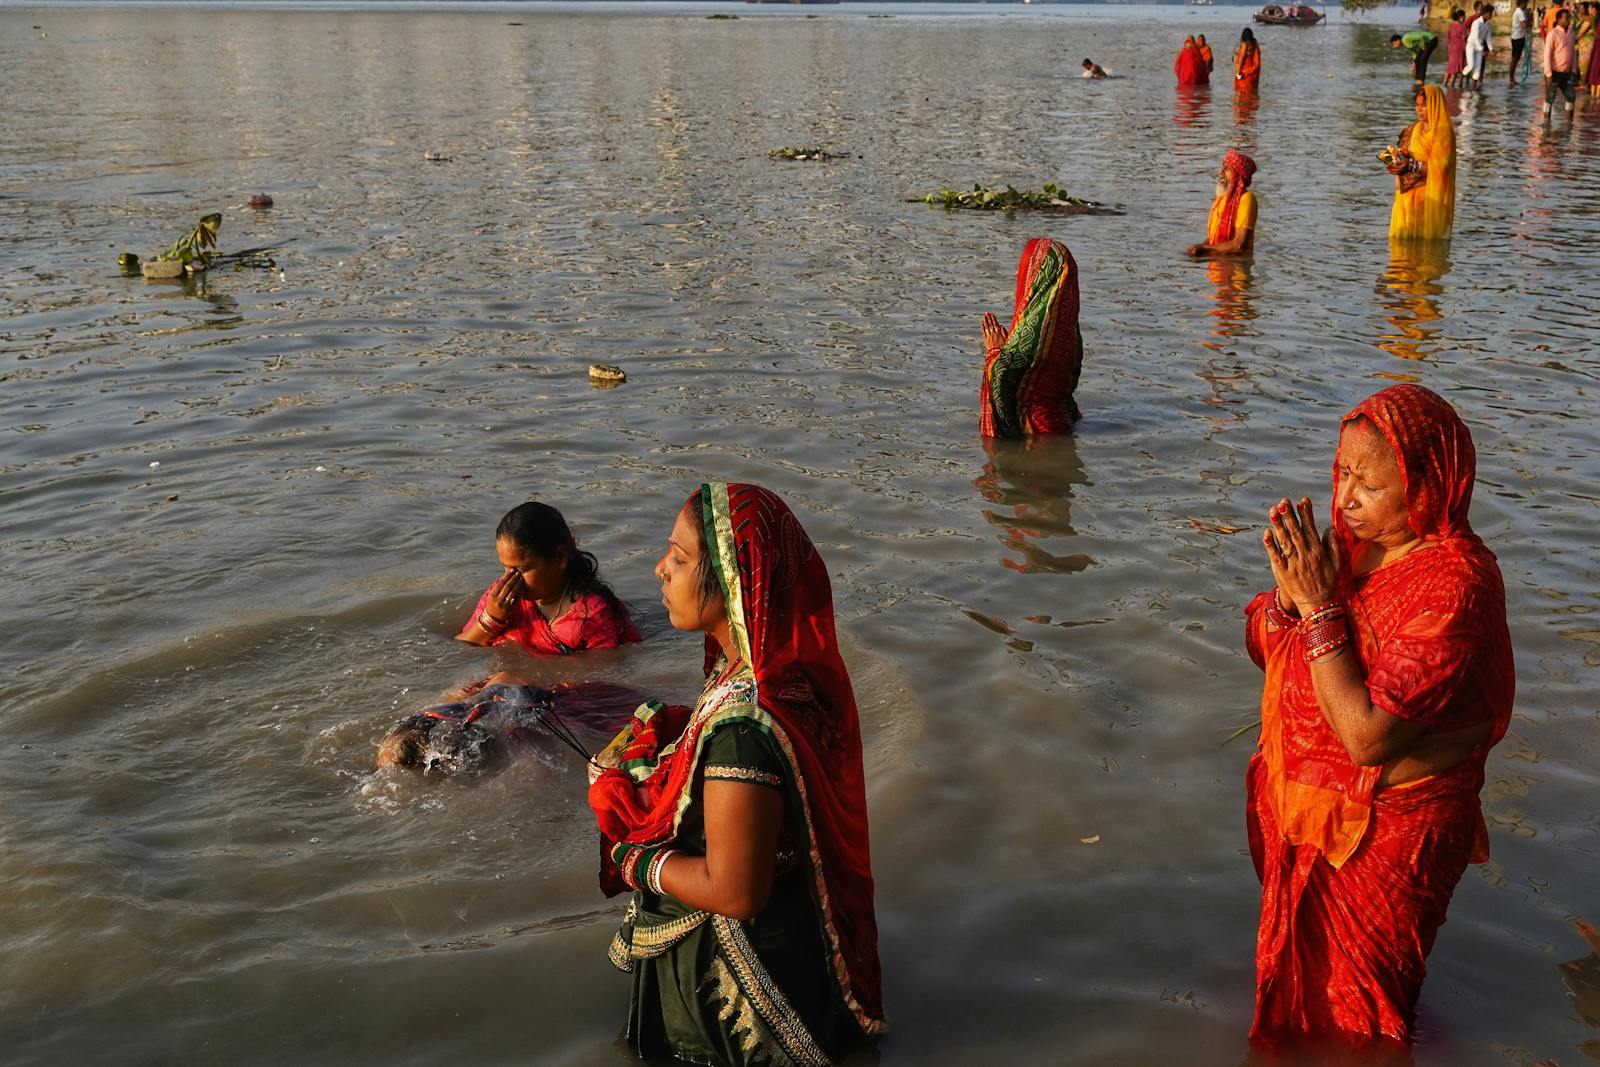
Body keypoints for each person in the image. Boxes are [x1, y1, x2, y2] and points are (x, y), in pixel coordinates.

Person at [1244, 384, 1514, 1047]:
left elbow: (1368, 736)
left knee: (1366, 1021)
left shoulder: (1457, 584)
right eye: (1342, 473)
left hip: (1391, 835)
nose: (1344, 498)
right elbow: (1263, 644)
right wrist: (1287, 595)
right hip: (1314, 819)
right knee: (1302, 1010)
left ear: (1426, 486)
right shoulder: (1352, 547)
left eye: (1368, 484)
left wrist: (1318, 608)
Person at [589, 483, 885, 1065]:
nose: (659, 570)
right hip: (802, 943)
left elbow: (736, 891)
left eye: (678, 557)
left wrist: (631, 857)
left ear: (734, 579)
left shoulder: (742, 732)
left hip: (739, 983)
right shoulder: (784, 672)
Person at [456, 501, 641, 654]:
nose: (510, 578)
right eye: (505, 567)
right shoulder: (499, 598)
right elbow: (461, 649)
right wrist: (492, 620)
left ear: (561, 556)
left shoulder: (591, 614)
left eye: (522, 569)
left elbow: (602, 677)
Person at [979, 238, 1085, 437]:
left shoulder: (1030, 337)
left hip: (1032, 438)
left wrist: (996, 353)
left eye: (1025, 268)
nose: (1019, 274)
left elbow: (1001, 382)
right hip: (1062, 426)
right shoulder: (1069, 332)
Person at [1387, 85, 1456, 242]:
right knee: (1401, 257)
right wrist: (1395, 164)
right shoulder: (1413, 130)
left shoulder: (1442, 132)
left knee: (1427, 258)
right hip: (1405, 196)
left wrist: (1411, 166)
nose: (1419, 110)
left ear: (1434, 105)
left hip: (1428, 198)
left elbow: (1441, 168)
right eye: (1417, 105)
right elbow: (1404, 155)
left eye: (1423, 105)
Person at [1187, 148, 1259, 258]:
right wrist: (1199, 248)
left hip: (1236, 271)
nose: (1221, 171)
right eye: (1222, 167)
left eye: (1227, 169)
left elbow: (1239, 246)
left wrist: (1205, 248)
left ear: (1238, 175)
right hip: (1216, 267)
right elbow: (1214, 238)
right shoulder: (1222, 199)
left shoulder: (1247, 199)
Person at [1544, 6, 1579, 117]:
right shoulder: (1553, 34)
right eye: (1566, 18)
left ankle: (1568, 125)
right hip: (1554, 72)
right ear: (1559, 20)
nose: (1569, 20)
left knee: (1571, 96)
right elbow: (1547, 55)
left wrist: (1574, 69)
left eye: (1569, 17)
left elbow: (1573, 52)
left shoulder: (1570, 33)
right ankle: (1546, 124)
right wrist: (1548, 74)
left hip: (1567, 72)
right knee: (1550, 98)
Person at [1465, 3, 1494, 87]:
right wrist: (1482, 49)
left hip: (1480, 47)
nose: (1491, 15)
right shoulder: (1476, 23)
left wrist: (1491, 49)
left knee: (1478, 68)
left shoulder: (1488, 24)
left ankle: (1473, 87)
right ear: (1486, 13)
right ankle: (1462, 77)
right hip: (1471, 45)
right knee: (1470, 66)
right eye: (1490, 13)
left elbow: (1488, 38)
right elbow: (1475, 37)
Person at [1510, 0, 1532, 85]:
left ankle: (1512, 78)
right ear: (1522, 3)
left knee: (1516, 58)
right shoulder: (1520, 12)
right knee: (1515, 58)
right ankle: (1511, 78)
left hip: (1518, 37)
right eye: (1526, 3)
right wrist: (1529, 22)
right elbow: (1524, 25)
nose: (1526, 5)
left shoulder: (1519, 11)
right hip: (1517, 38)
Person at [1445, 9, 1468, 87]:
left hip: (1451, 47)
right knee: (1456, 68)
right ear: (1461, 17)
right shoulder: (1462, 27)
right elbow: (1464, 38)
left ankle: (1444, 84)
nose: (1465, 18)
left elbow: (1448, 37)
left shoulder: (1450, 26)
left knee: (1450, 66)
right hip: (1459, 48)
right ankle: (1452, 85)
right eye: (1464, 16)